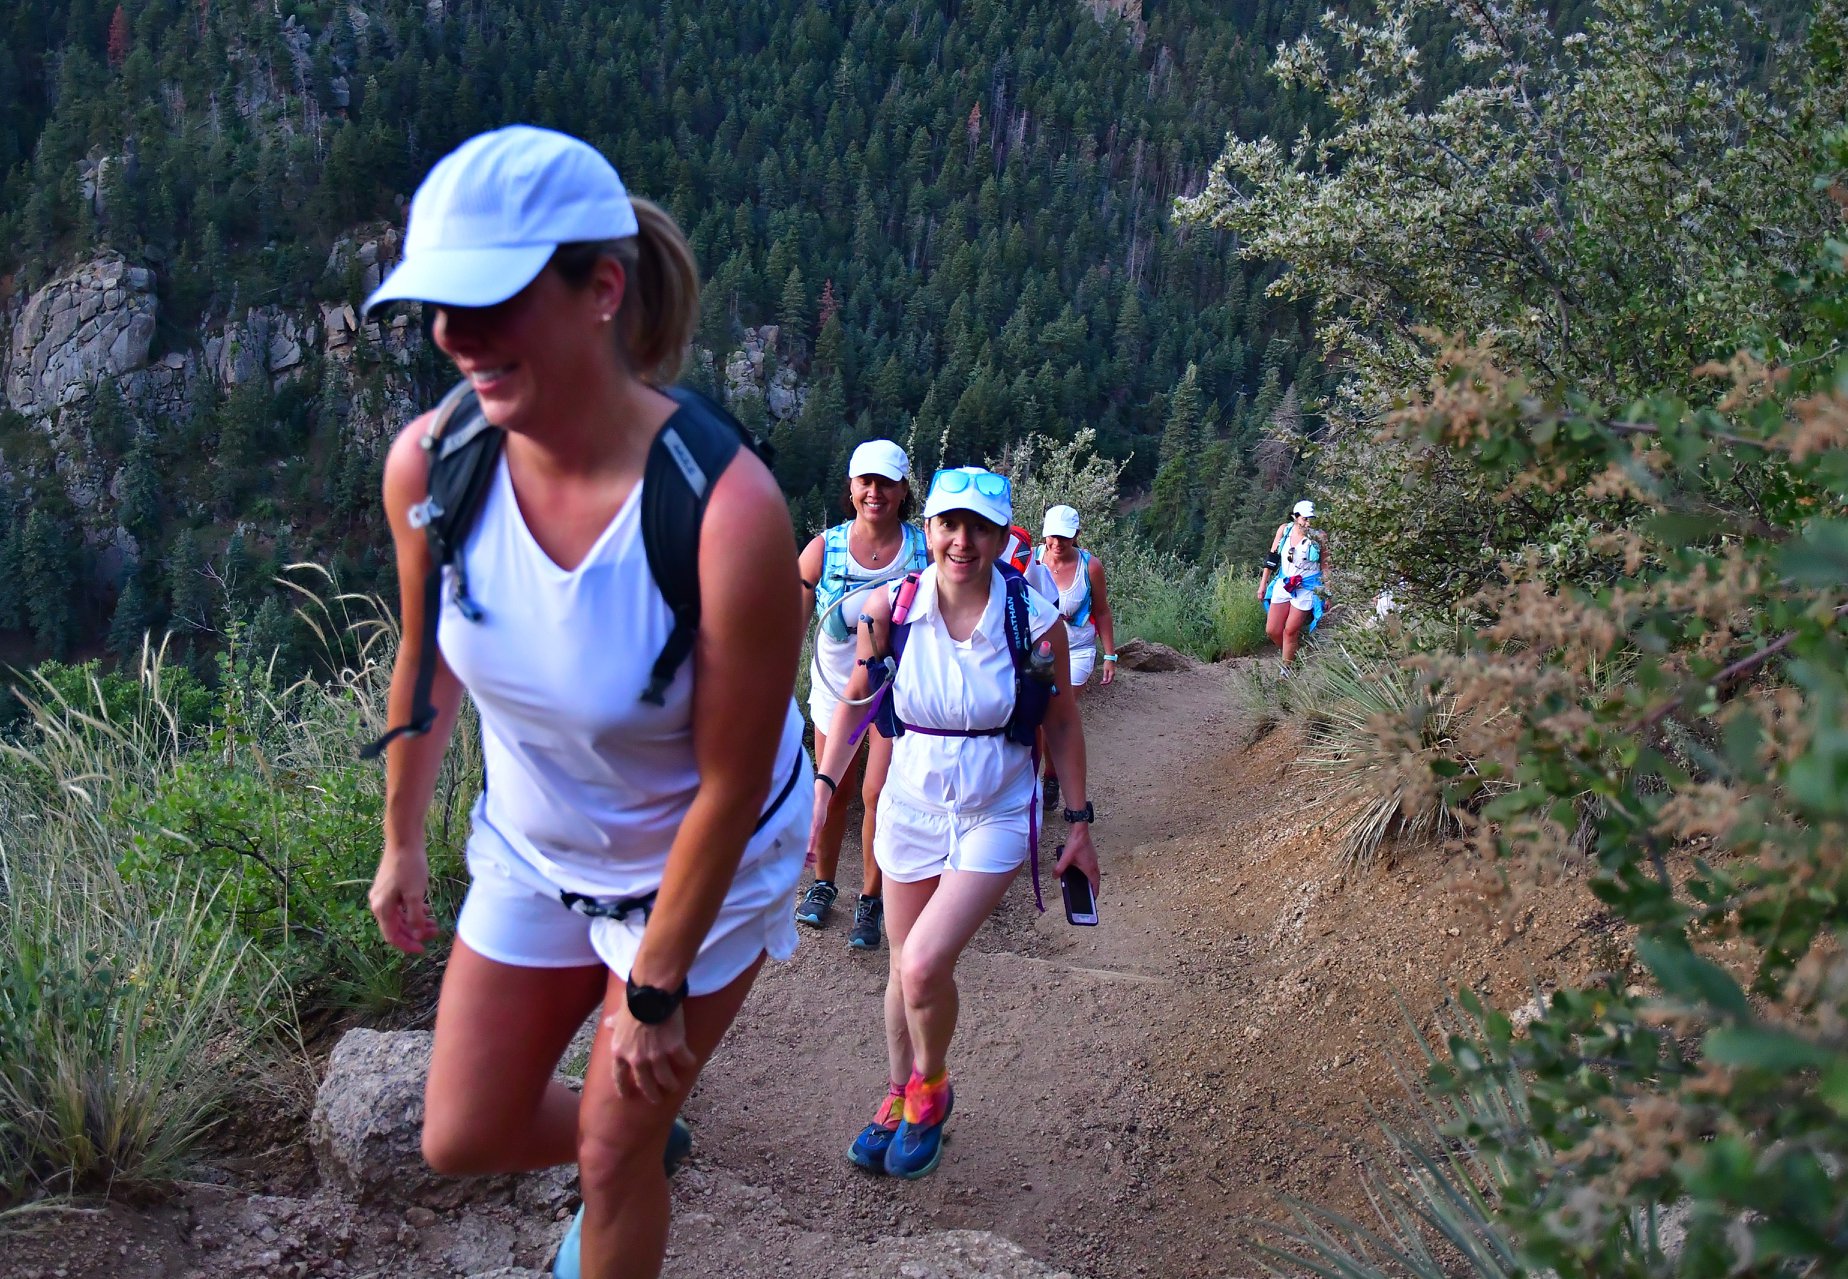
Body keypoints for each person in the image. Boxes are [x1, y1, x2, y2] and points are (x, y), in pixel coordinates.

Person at [362, 126, 811, 1279]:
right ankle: (643, 1137)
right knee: (460, 1133)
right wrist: (401, 839)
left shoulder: (723, 511)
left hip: (694, 870)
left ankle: (629, 1156)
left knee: (612, 1164)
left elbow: (725, 783)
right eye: (435, 306)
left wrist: (652, 988)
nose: (454, 335)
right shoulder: (434, 464)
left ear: (601, 289)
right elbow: (428, 667)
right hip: (534, 844)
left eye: (488, 299)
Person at [808, 467, 1102, 1180]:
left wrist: (1080, 822)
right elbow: (857, 693)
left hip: (997, 809)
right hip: (910, 804)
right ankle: (897, 1090)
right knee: (900, 971)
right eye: (948, 524)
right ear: (930, 528)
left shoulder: (1034, 620)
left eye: (979, 527)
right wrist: (822, 788)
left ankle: (930, 1090)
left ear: (1003, 537)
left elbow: (1061, 720)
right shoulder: (892, 608)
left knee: (920, 962)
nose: (962, 540)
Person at [795, 440, 930, 949]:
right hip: (837, 693)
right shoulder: (821, 550)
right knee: (836, 788)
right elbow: (795, 624)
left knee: (881, 794)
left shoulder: (923, 549)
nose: (875, 492)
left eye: (886, 483)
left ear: (902, 490)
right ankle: (823, 883)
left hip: (900, 696)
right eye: (865, 482)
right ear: (851, 487)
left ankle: (872, 899)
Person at [1034, 504, 1116, 812]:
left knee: (1054, 712)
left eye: (1064, 538)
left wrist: (1110, 654)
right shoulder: (1032, 559)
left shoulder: (1090, 567)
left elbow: (1102, 611)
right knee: (1037, 717)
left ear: (1076, 536)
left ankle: (1052, 777)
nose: (1057, 544)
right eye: (1052, 537)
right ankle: (1035, 780)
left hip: (1078, 650)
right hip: (1037, 649)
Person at [1258, 498, 1326, 669]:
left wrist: (1327, 593)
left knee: (1290, 631)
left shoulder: (1320, 537)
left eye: (1311, 519)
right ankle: (1294, 656)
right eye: (1305, 519)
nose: (1308, 523)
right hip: (1285, 583)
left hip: (1307, 587)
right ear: (1296, 517)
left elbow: (1326, 566)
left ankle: (1286, 671)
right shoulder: (1285, 530)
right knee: (1272, 630)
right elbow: (1272, 558)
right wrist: (1263, 583)